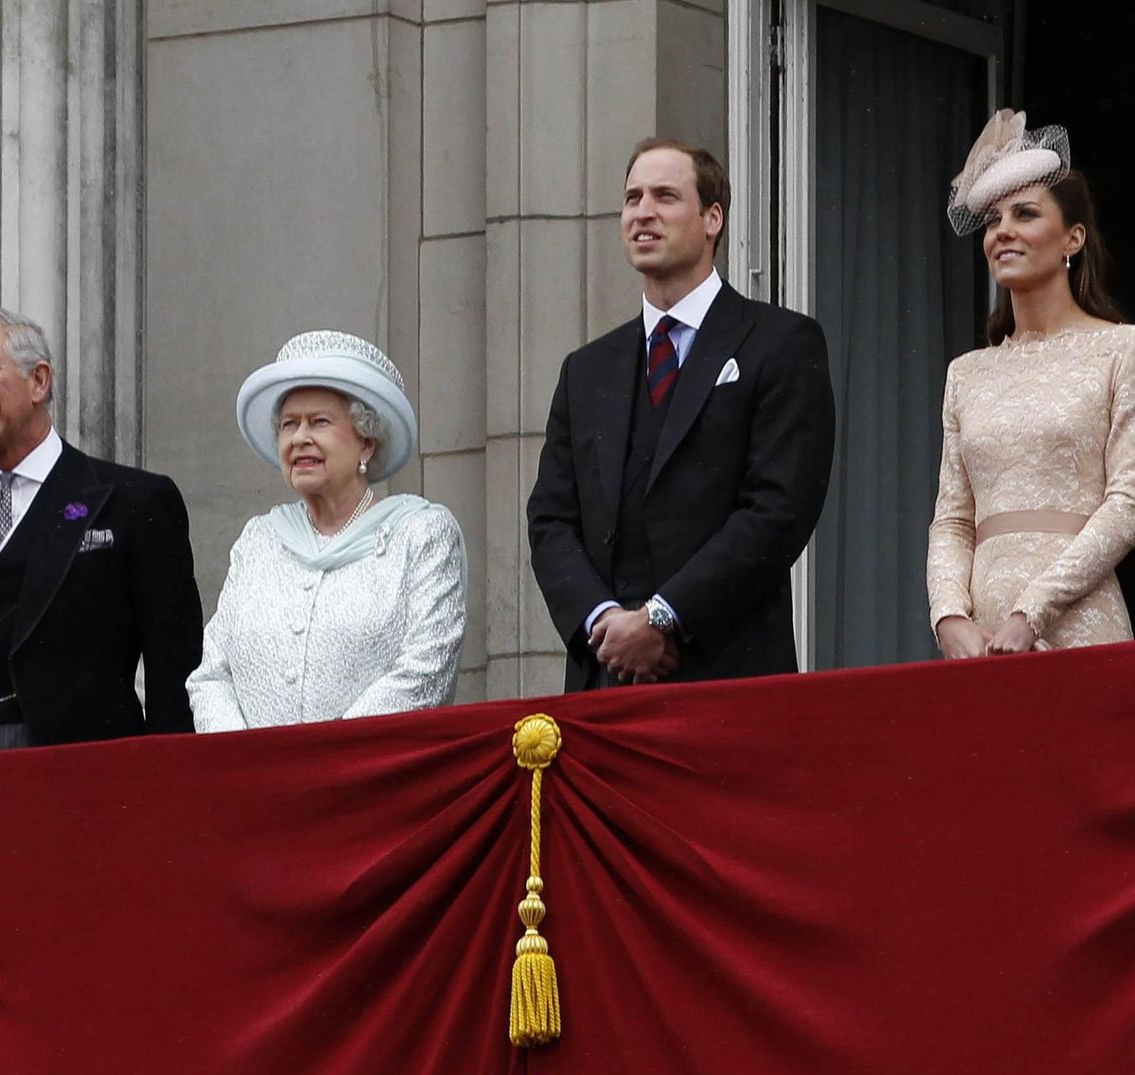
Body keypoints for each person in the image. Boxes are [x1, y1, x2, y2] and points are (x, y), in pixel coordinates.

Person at [527, 138, 836, 691]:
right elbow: (551, 520)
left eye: (665, 196)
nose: (643, 212)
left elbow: (778, 509)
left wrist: (665, 618)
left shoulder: (781, 342)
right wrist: (606, 625)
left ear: (712, 217)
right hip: (604, 679)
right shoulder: (585, 370)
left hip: (728, 677)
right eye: (632, 198)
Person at [926, 110, 1135, 657]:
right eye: (992, 220)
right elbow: (953, 519)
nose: (1002, 230)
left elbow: (1130, 505)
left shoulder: (1129, 349)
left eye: (1025, 214)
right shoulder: (966, 373)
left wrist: (1032, 611)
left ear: (1073, 238)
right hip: (979, 642)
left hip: (1078, 625)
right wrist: (949, 618)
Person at [0, 308, 203, 756]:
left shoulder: (134, 502)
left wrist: (165, 782)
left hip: (83, 773)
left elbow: (174, 671)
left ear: (39, 381)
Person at [186, 331, 466, 730]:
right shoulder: (258, 540)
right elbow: (211, 675)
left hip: (372, 782)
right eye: (288, 425)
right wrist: (245, 761)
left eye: (319, 422)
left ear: (366, 442)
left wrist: (325, 761)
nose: (300, 438)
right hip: (256, 784)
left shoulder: (421, 534)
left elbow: (426, 671)